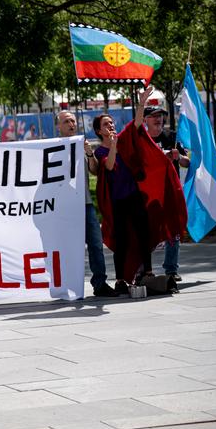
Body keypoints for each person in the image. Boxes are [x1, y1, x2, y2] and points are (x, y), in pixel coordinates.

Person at [92, 90, 154, 295]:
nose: (110, 125)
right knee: (121, 240)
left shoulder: (124, 139)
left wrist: (142, 102)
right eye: (105, 124)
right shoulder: (100, 151)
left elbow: (136, 124)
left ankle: (148, 272)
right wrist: (114, 146)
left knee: (143, 233)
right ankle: (120, 279)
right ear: (99, 131)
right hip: (117, 202)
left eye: (111, 122)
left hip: (134, 196)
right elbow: (109, 166)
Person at [56, 111, 115, 298]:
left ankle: (100, 283)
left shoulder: (83, 145)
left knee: (96, 244)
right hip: (65, 206)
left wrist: (89, 153)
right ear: (59, 127)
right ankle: (68, 284)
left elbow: (96, 170)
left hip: (85, 204)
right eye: (66, 121)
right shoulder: (53, 147)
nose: (71, 124)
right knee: (69, 248)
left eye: (73, 120)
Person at [144, 106, 190, 281]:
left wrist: (178, 157)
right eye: (154, 116)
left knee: (173, 231)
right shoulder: (142, 138)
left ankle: (171, 269)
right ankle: (144, 270)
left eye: (161, 116)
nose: (158, 119)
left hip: (171, 192)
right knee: (147, 232)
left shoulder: (172, 137)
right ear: (146, 119)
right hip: (148, 193)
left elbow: (187, 163)